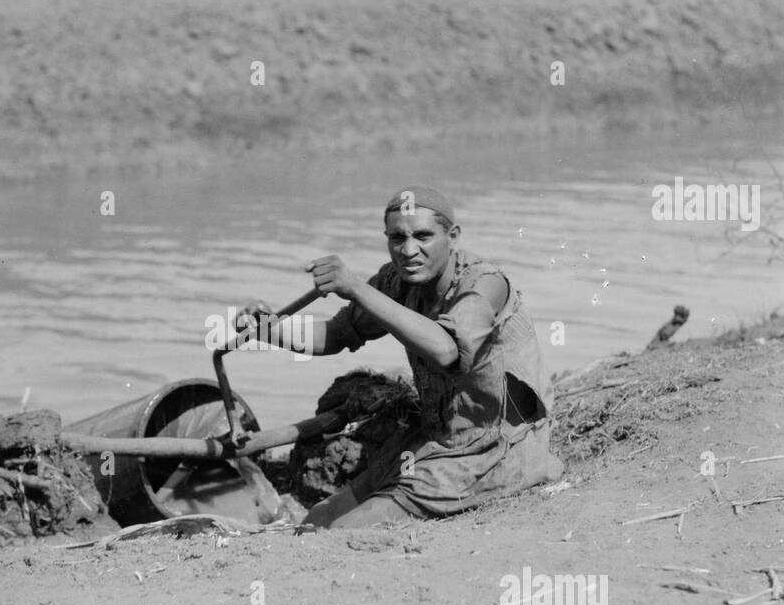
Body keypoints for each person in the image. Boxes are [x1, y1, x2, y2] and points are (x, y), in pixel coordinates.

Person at [241, 185, 563, 528]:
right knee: (320, 517)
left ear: (452, 236)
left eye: (423, 236)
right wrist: (269, 329)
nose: (409, 250)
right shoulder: (397, 283)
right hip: (432, 438)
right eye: (397, 238)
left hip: (492, 449)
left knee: (342, 530)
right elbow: (335, 335)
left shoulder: (485, 284)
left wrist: (355, 287)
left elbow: (445, 350)